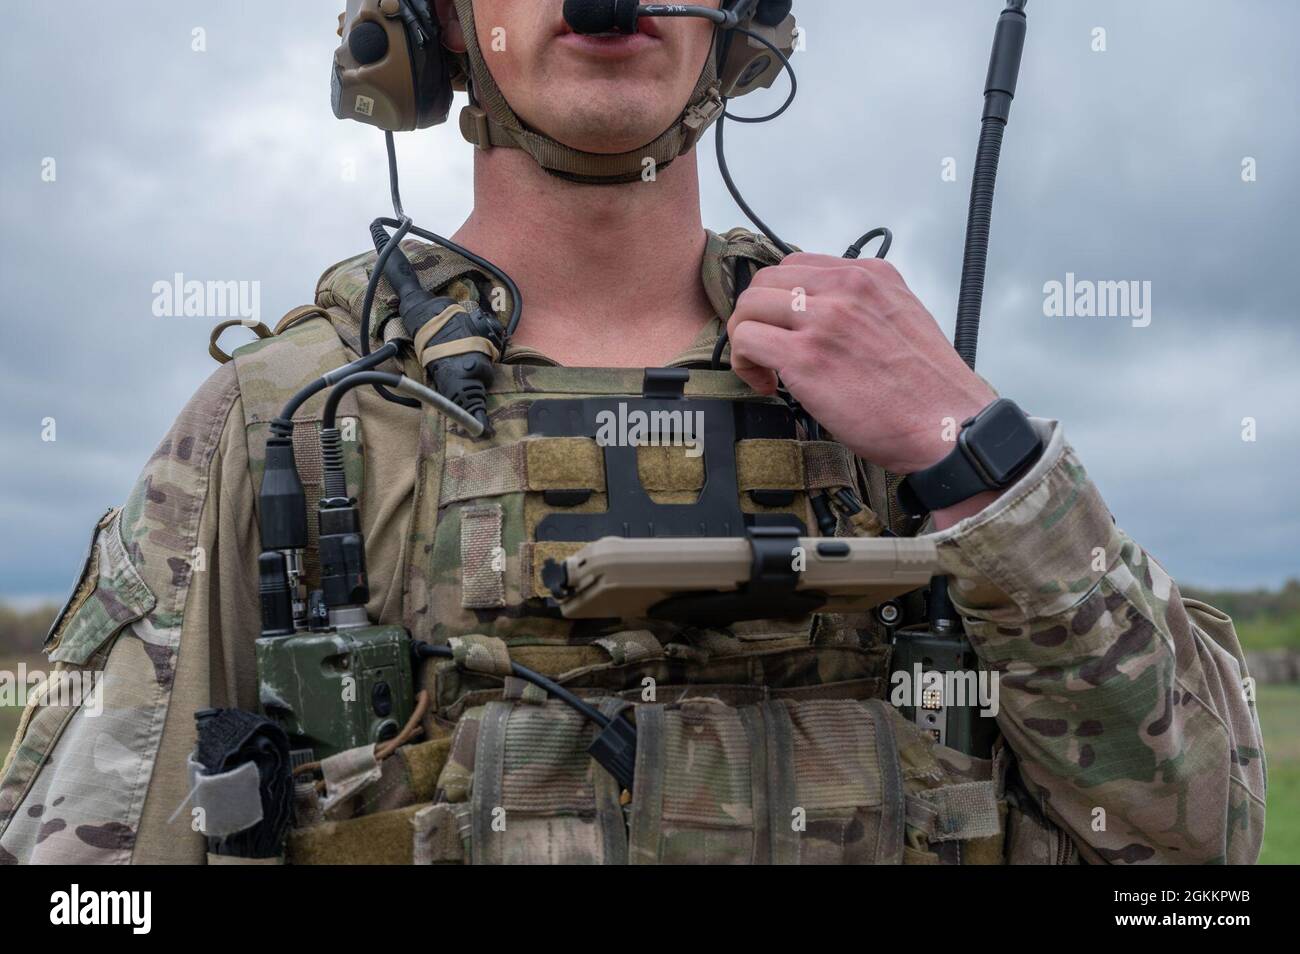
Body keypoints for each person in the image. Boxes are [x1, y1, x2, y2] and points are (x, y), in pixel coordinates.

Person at [0, 0, 1264, 864]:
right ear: (436, 20)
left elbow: (1196, 847)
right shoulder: (291, 422)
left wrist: (975, 455)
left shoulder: (901, 404)